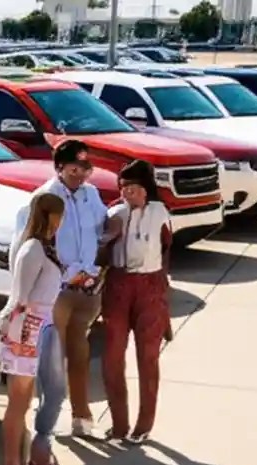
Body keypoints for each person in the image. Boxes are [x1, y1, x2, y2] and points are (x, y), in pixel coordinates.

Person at [15, 139, 109, 439]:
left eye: (85, 169)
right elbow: (27, 246)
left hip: (87, 290)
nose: (80, 176)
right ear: (59, 168)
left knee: (80, 356)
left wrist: (97, 271)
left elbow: (100, 232)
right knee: (51, 362)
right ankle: (48, 421)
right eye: (73, 170)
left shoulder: (90, 195)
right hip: (56, 291)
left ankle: (82, 418)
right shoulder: (43, 199)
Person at [99, 159, 173, 445]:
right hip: (119, 283)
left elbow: (167, 248)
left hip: (150, 285)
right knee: (113, 354)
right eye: (123, 187)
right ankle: (119, 424)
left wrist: (162, 292)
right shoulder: (114, 213)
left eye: (133, 187)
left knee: (148, 356)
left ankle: (144, 424)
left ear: (146, 189)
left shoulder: (160, 212)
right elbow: (101, 249)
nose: (127, 193)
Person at [0, 193, 66, 465]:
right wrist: (13, 334)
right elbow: (20, 298)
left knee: (40, 396)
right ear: (50, 216)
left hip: (41, 326)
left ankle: (28, 459)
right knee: (19, 402)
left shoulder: (44, 246)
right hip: (26, 329)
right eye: (59, 215)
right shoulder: (32, 249)